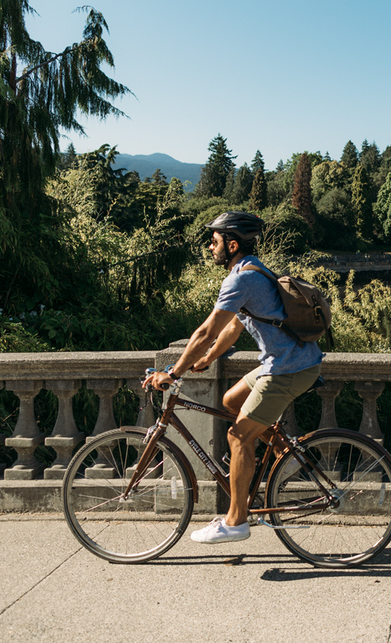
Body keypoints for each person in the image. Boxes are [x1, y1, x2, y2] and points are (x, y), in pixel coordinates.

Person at [143, 211, 323, 544]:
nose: (210, 248)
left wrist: (173, 372)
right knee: (231, 401)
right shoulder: (253, 269)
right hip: (288, 361)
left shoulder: (241, 278)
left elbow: (206, 330)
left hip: (288, 368)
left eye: (214, 242)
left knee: (238, 437)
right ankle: (286, 456)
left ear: (232, 243)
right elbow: (235, 325)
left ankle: (237, 521)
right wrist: (209, 358)